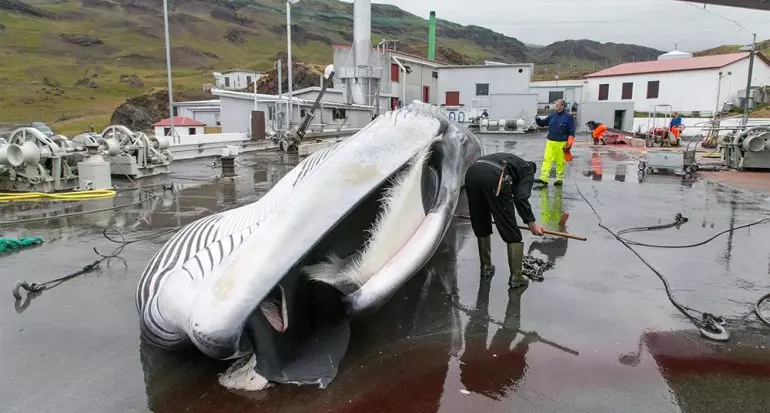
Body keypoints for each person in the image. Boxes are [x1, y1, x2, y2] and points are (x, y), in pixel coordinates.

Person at [465, 152, 545, 289]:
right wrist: (531, 224)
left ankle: (486, 267)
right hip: (496, 176)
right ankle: (516, 277)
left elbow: (513, 192)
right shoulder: (527, 171)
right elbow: (520, 198)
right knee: (509, 226)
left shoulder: (509, 160)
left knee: (481, 219)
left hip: (472, 173)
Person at [534, 99, 575, 186]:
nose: (554, 106)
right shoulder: (552, 116)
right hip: (550, 142)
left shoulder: (568, 117)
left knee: (560, 162)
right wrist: (537, 119)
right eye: (555, 104)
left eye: (556, 104)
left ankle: (559, 179)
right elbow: (542, 123)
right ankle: (543, 178)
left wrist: (569, 144)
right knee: (547, 160)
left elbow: (571, 132)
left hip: (562, 143)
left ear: (562, 106)